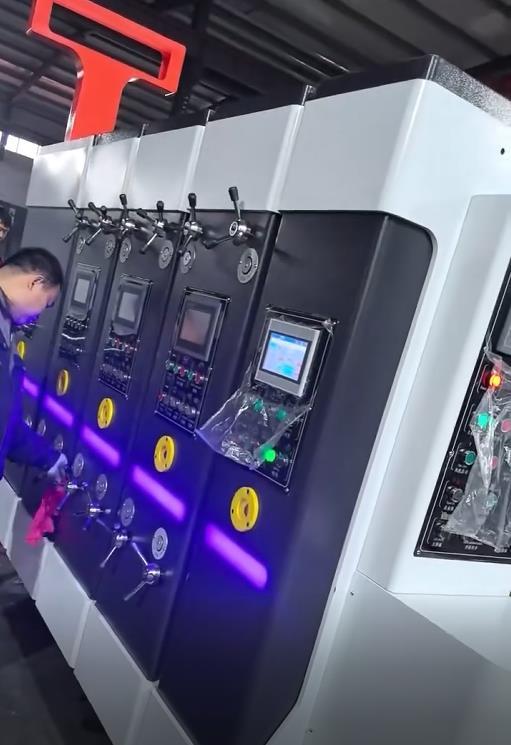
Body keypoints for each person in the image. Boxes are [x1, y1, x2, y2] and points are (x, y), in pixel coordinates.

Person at [0, 247, 68, 484]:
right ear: (35, 283)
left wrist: (48, 458)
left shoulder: (6, 329)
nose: (39, 315)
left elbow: (3, 418)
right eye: (46, 302)